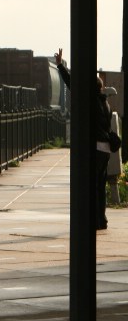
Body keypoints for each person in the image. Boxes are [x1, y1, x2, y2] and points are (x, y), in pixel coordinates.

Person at [55, 48, 114, 229]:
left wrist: (60, 66)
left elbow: (73, 84)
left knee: (91, 185)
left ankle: (94, 220)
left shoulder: (91, 101)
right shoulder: (106, 103)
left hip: (95, 148)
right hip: (105, 149)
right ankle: (101, 219)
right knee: (100, 185)